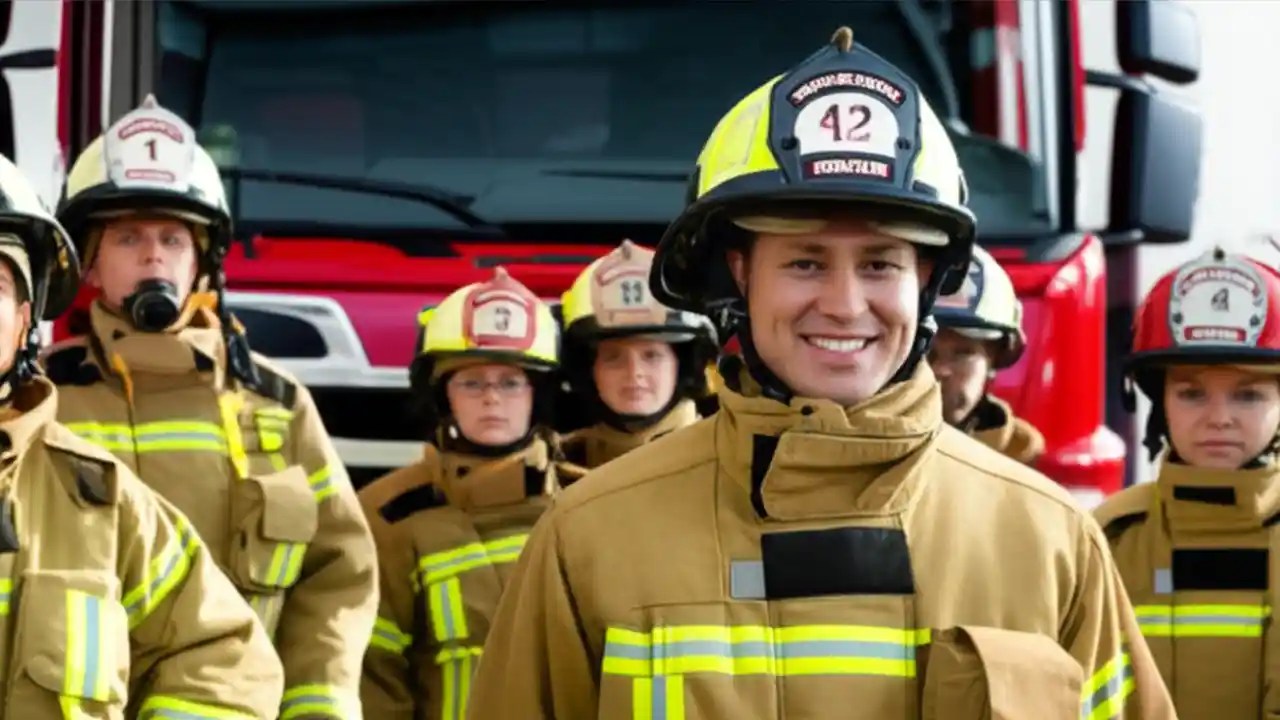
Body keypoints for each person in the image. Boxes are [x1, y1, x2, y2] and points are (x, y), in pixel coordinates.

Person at [467, 26, 1173, 719]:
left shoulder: (1050, 541)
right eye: (805, 262)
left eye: (880, 264)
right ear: (740, 274)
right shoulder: (590, 538)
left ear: (927, 281)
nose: (844, 305)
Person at [42, 95, 376, 719]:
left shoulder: (275, 405)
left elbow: (338, 575)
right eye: (128, 237)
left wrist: (319, 706)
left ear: (201, 261)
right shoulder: (43, 400)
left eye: (173, 238)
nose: (153, 255)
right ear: (89, 263)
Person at [0, 152, 285, 717]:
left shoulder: (100, 502)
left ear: (25, 320)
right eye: (128, 237)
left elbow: (224, 659)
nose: (153, 255)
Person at [359, 267, 561, 719]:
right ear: (442, 396)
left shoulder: (584, 501)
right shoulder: (387, 515)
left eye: (510, 382)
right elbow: (374, 674)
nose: (492, 398)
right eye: (471, 382)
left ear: (538, 394)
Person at [1095, 248, 1280, 718]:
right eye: (1192, 393)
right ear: (1159, 404)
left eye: (1248, 395)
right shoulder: (1108, 537)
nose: (1219, 418)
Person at [557, 239, 717, 482]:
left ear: (683, 366)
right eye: (613, 357)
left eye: (651, 356)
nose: (634, 372)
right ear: (588, 370)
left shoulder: (735, 463)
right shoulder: (549, 473)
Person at [928, 244, 1043, 465]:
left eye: (963, 353)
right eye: (925, 351)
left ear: (994, 358)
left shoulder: (1022, 460)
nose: (941, 369)